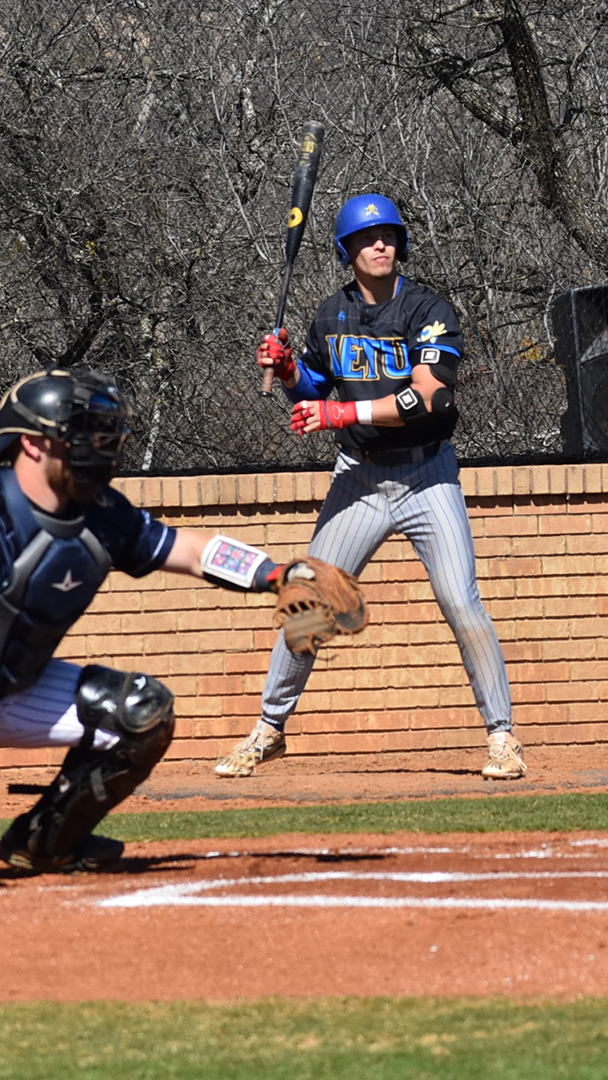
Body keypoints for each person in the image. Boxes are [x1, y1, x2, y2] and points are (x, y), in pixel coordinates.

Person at [0, 368, 347, 898]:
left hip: (10, 677)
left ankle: (44, 842)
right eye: (79, 432)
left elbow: (188, 550)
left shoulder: (99, 509)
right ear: (30, 442)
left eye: (102, 432)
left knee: (144, 711)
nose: (97, 444)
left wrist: (276, 573)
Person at [216, 192, 521, 781]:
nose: (380, 244)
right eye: (366, 237)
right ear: (347, 250)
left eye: (388, 235)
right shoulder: (331, 316)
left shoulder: (429, 309)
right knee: (307, 600)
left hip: (426, 473)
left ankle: (502, 737)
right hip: (359, 477)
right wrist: (286, 371)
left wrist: (339, 415)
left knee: (461, 601)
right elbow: (309, 389)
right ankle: (269, 730)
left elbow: (428, 396)